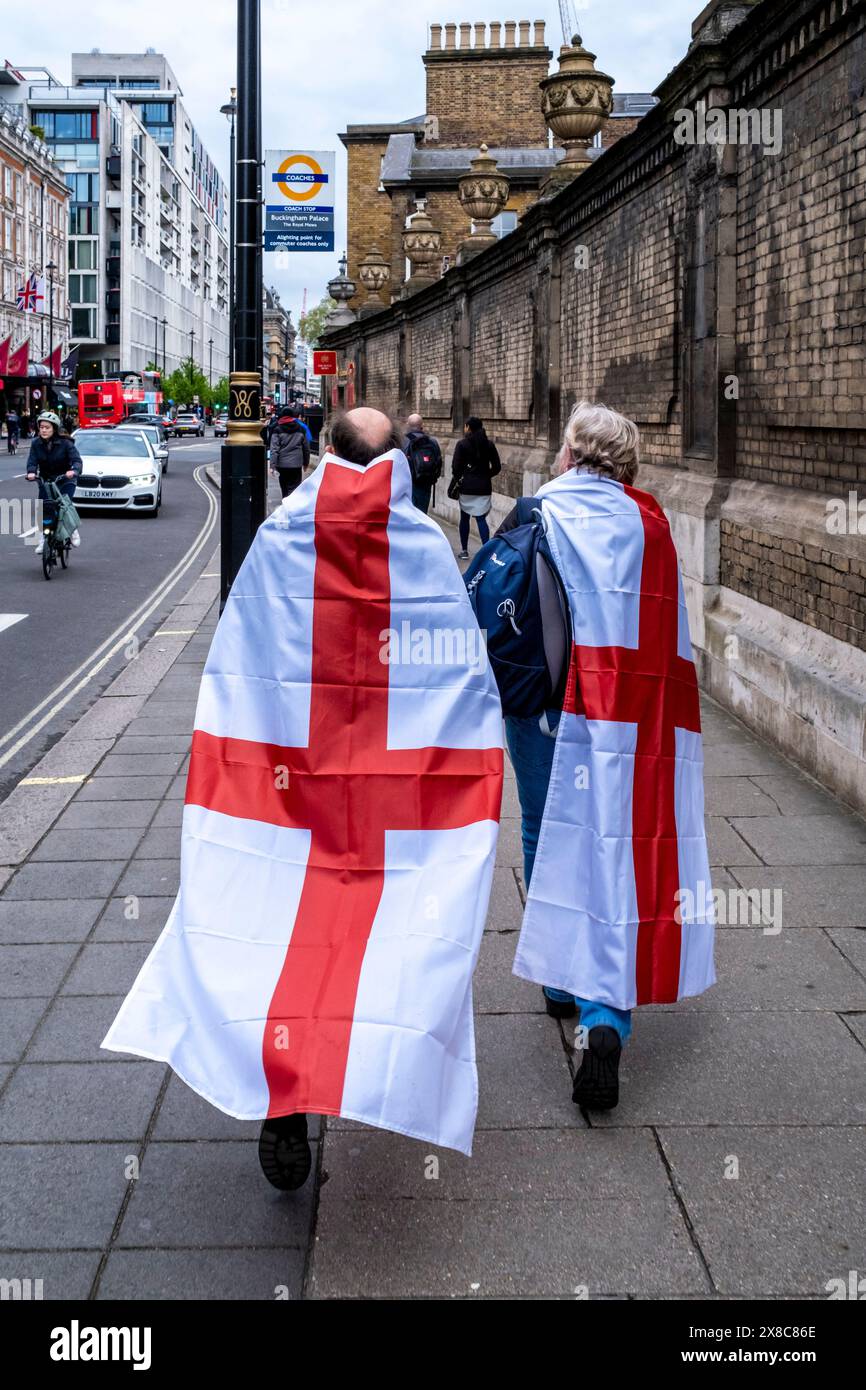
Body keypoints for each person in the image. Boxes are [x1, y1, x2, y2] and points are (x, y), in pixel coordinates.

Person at [103, 405, 503, 1192]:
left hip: (289, 792)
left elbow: (240, 666)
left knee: (271, 927)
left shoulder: (283, 535)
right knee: (382, 939)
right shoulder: (422, 546)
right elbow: (463, 683)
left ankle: (283, 1102)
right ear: (400, 458)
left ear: (327, 451)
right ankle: (370, 1068)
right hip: (391, 801)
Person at [502, 401, 715, 1111]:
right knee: (619, 845)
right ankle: (604, 1017)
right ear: (623, 461)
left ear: (570, 452)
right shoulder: (651, 524)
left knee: (544, 828)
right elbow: (664, 635)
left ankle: (561, 983)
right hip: (626, 718)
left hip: (544, 708)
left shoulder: (539, 513)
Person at [25, 411, 83, 554]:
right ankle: (42, 541)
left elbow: (76, 460)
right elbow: (32, 461)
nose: (43, 430)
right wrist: (31, 472)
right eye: (41, 427)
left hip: (65, 479)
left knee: (65, 504)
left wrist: (74, 470)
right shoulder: (36, 444)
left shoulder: (66, 443)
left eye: (47, 427)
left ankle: (73, 530)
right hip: (46, 480)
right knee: (43, 509)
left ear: (54, 429)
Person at [451, 416, 501, 559]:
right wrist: (486, 476)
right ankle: (486, 552)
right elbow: (497, 467)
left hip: (466, 487)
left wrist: (463, 477)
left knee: (464, 518)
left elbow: (455, 467)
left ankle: (464, 551)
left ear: (468, 427)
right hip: (484, 487)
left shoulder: (462, 444)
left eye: (465, 426)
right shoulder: (489, 445)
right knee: (480, 519)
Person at [403, 412, 443, 514]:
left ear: (408, 425)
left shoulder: (403, 441)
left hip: (408, 484)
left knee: (408, 515)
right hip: (425, 484)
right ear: (422, 426)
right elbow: (439, 463)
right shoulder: (432, 442)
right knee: (422, 514)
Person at [269, 409, 311, 497]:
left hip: (282, 465)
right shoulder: (301, 429)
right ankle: (292, 505)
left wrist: (272, 465)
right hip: (296, 464)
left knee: (284, 487)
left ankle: (286, 504)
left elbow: (274, 449)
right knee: (294, 488)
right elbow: (306, 448)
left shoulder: (277, 429)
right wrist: (306, 463)